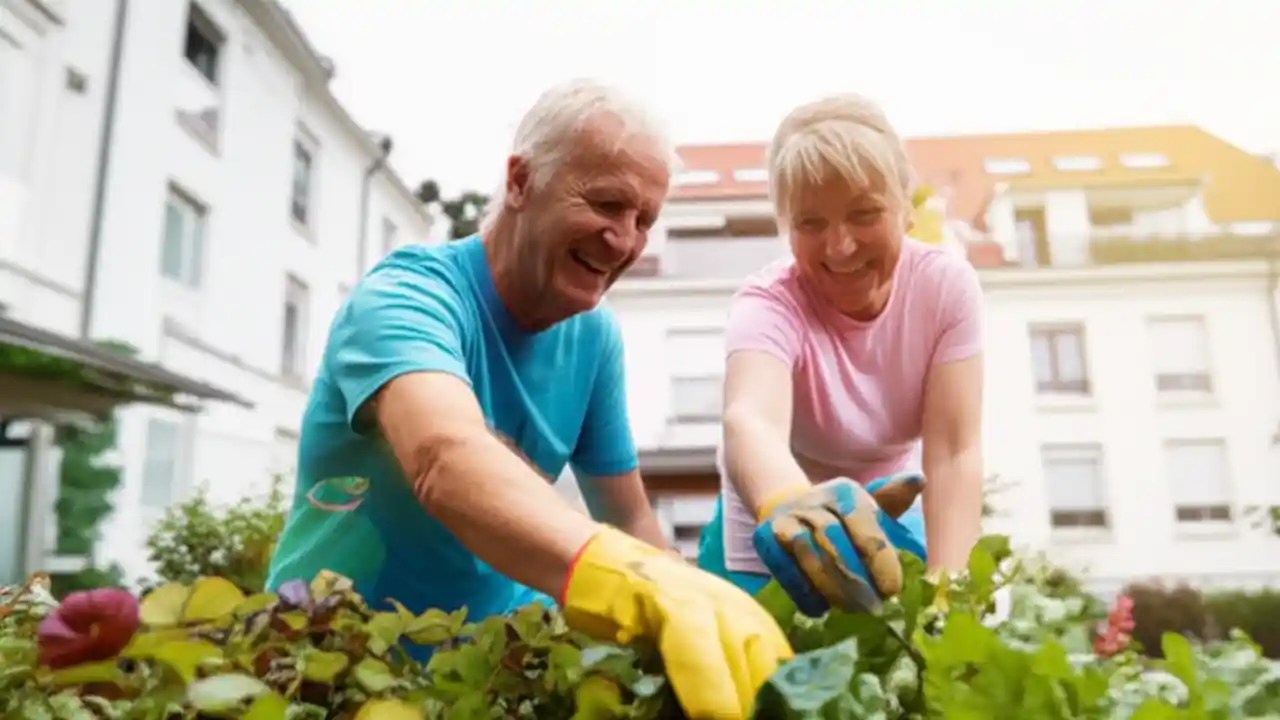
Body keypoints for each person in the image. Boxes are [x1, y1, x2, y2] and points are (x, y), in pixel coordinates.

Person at [265, 79, 792, 719]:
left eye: (643, 220)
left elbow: (626, 520)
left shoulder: (593, 339)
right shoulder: (405, 299)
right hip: (331, 665)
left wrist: (688, 596)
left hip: (489, 676)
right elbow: (443, 458)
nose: (624, 240)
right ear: (520, 181)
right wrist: (625, 579)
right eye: (605, 203)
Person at [697, 93, 986, 618]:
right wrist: (795, 510)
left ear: (905, 204)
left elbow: (953, 453)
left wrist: (949, 593)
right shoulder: (768, 303)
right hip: (773, 517)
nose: (840, 246)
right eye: (810, 224)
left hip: (889, 509)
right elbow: (749, 420)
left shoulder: (946, 288)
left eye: (864, 214)